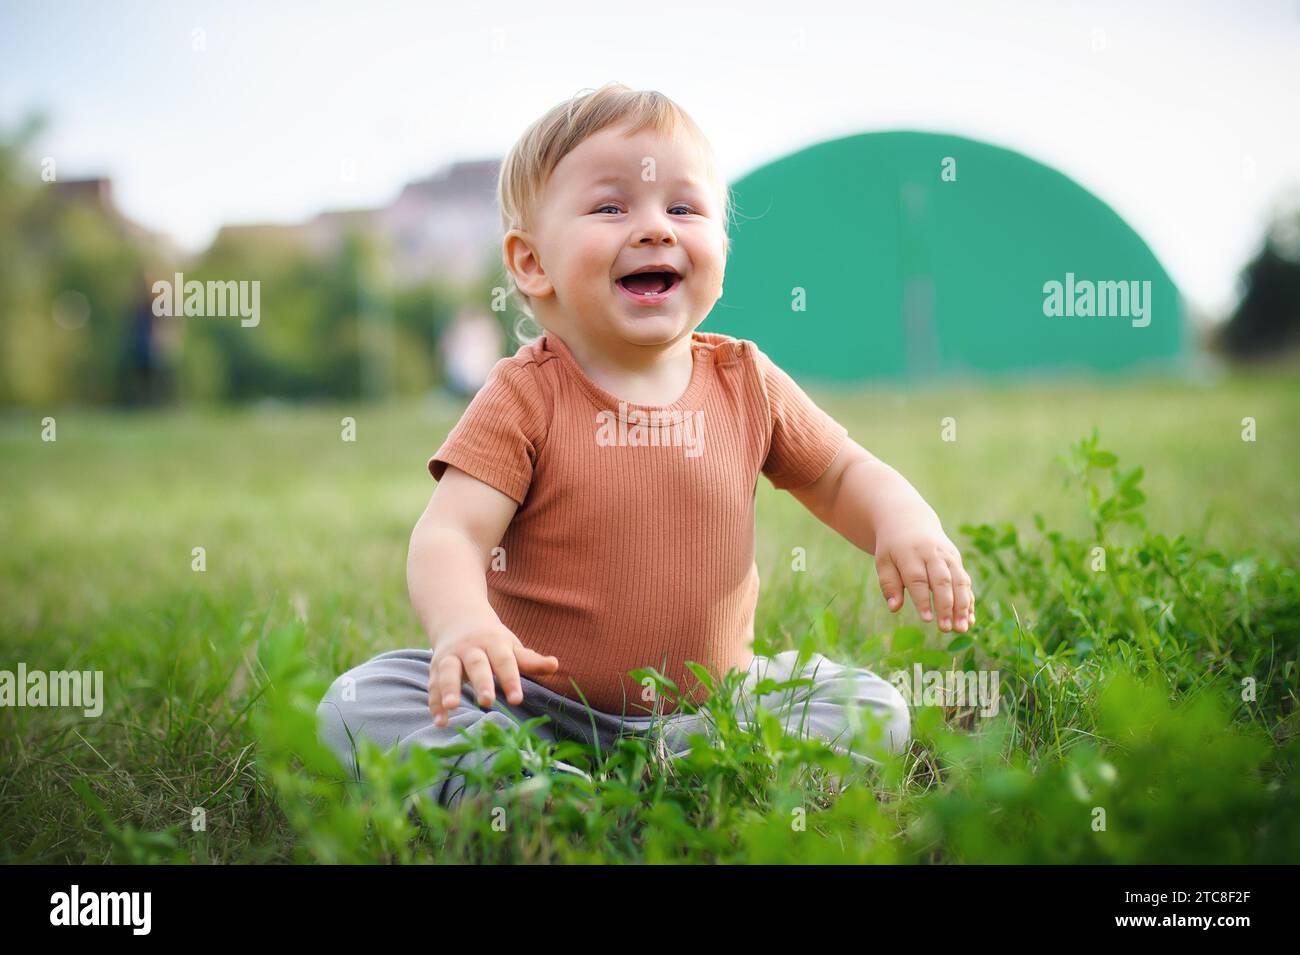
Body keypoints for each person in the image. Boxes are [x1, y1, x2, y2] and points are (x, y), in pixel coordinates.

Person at [317, 83, 976, 807]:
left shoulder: (745, 381)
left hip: (711, 711)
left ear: (721, 247)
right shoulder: (526, 394)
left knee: (868, 705)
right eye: (611, 206)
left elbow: (843, 473)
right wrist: (464, 624)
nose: (656, 227)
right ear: (532, 262)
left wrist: (903, 520)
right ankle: (536, 790)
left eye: (684, 208)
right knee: (360, 701)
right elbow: (448, 534)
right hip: (530, 708)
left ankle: (677, 779)